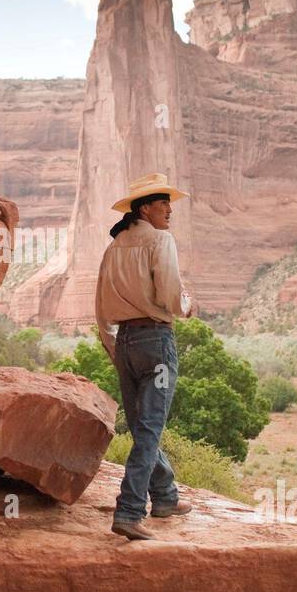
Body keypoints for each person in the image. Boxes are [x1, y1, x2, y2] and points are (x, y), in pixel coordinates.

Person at [94, 173, 195, 541]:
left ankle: (165, 497)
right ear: (144, 208)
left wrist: (113, 349)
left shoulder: (114, 247)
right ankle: (130, 510)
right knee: (149, 429)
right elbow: (170, 293)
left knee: (142, 428)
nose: (170, 209)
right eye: (163, 203)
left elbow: (101, 307)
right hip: (156, 341)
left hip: (125, 344)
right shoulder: (160, 240)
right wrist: (187, 306)